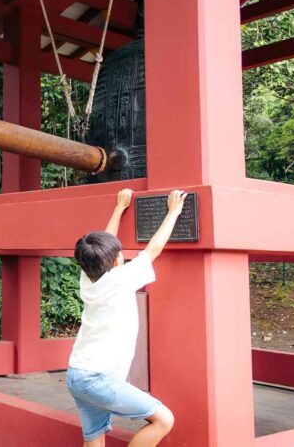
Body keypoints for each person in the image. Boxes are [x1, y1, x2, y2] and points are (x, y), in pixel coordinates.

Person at [67, 188, 187, 447]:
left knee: (94, 438)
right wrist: (174, 211)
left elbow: (104, 243)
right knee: (164, 419)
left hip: (77, 374)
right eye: (119, 254)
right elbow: (152, 250)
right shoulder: (120, 280)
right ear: (117, 262)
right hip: (98, 378)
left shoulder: (87, 278)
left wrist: (120, 207)